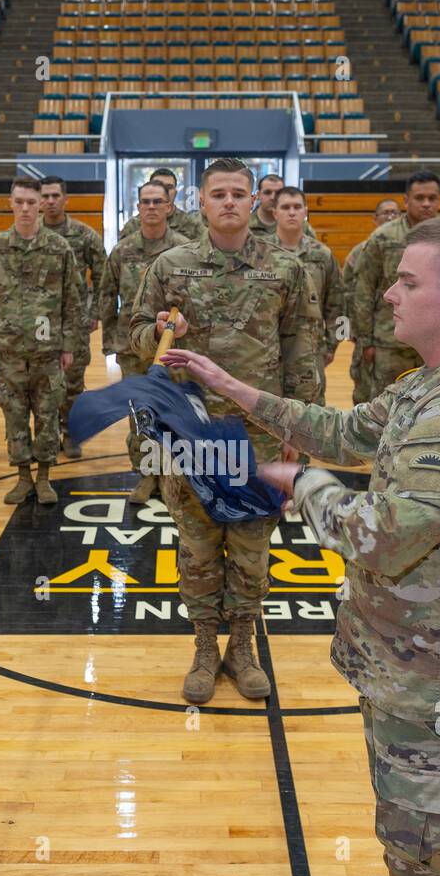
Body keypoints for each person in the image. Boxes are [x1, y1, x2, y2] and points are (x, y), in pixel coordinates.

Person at [162, 213, 440, 876]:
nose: (389, 294)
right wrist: (234, 387)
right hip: (407, 676)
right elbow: (345, 429)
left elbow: (384, 535)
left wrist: (306, 484)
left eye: (408, 281)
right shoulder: (431, 385)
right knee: (413, 860)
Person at [130, 157, 322, 703]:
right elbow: (138, 331)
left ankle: (243, 645)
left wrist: (301, 428)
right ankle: (204, 646)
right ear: (202, 201)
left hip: (258, 436)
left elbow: (301, 352)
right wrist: (162, 332)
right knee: (195, 547)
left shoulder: (287, 269)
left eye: (240, 192)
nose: (231, 202)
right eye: (220, 194)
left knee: (252, 550)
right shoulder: (171, 266)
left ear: (254, 200)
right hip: (189, 433)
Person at [0, 175, 83, 506]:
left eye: (31, 202)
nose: (25, 208)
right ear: (11, 204)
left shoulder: (59, 248)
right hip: (8, 352)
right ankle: (23, 476)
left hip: (47, 354)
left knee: (48, 415)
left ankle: (44, 477)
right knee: (15, 415)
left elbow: (73, 300)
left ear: (40, 205)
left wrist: (68, 345)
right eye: (19, 202)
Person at [94, 179, 190, 503]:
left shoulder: (185, 250)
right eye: (145, 202)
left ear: (169, 207)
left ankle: (174, 476)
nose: (151, 207)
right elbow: (107, 296)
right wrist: (110, 343)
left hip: (174, 349)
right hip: (133, 348)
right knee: (141, 417)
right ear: (137, 208)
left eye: (157, 201)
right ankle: (147, 475)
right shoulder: (122, 250)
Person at [349, 171, 440, 399]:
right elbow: (363, 289)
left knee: (432, 409)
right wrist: (365, 341)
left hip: (437, 342)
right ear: (406, 201)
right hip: (389, 342)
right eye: (420, 198)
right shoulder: (383, 238)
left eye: (432, 198)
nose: (426, 204)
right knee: (386, 410)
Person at [39, 176, 107, 458]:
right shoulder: (31, 234)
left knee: (73, 383)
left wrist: (95, 312)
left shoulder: (84, 234)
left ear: (66, 199)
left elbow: (104, 274)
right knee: (42, 382)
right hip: (39, 324)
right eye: (46, 196)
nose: (51, 201)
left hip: (74, 323)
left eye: (56, 195)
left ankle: (71, 434)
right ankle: (47, 434)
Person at [269, 186, 343, 404]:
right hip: (266, 349)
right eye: (285, 207)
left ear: (305, 211)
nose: (291, 212)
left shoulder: (323, 255)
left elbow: (339, 304)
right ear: (275, 213)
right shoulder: (260, 253)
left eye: (297, 207)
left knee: (311, 412)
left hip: (311, 350)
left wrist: (332, 346)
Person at [343, 198, 401, 401]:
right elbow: (349, 293)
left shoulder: (406, 250)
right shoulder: (359, 253)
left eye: (395, 213)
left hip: (396, 334)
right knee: (364, 390)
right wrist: (350, 331)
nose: (390, 216)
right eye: (386, 212)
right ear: (374, 219)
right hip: (366, 332)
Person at [120, 168, 206, 240]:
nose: (164, 191)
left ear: (175, 193)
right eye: (158, 186)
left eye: (169, 187)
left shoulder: (192, 224)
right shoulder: (133, 225)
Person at [248, 172, 315, 238]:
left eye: (277, 193)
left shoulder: (300, 226)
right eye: (267, 192)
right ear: (258, 195)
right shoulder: (246, 224)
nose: (273, 197)